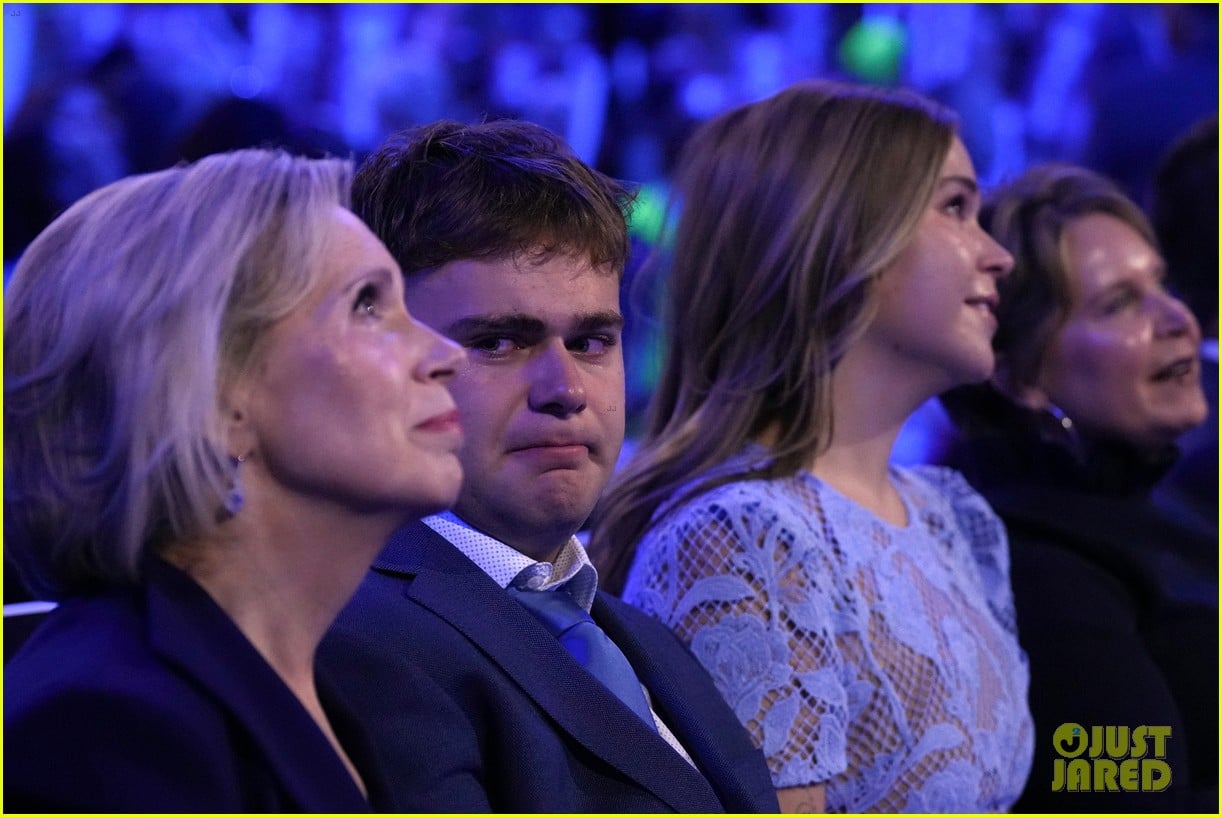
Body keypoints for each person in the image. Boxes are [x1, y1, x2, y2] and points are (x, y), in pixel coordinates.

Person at [590, 80, 1033, 812]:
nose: (998, 256)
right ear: (843, 235)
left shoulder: (951, 516)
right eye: (956, 207)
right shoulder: (740, 537)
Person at [318, 119, 779, 813]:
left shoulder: (650, 640)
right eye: (500, 341)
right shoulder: (357, 639)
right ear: (384, 356)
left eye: (592, 340)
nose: (565, 388)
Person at [4, 149, 466, 811]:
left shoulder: (359, 691)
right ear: (216, 397)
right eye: (367, 304)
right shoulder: (103, 731)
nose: (447, 356)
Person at [940, 163, 1216, 812]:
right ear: (1019, 375)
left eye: (1162, 284)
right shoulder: (1038, 559)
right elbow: (1129, 802)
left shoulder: (1157, 505)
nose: (1176, 317)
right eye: (1119, 303)